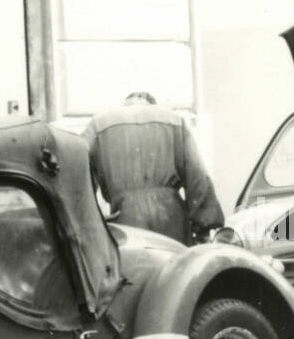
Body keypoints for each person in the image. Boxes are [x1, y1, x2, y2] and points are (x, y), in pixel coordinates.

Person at [82, 92, 224, 245]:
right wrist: (203, 227)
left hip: (125, 217)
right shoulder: (174, 120)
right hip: (171, 218)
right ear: (152, 103)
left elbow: (78, 170)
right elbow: (197, 175)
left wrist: (90, 225)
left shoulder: (99, 124)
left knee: (136, 266)